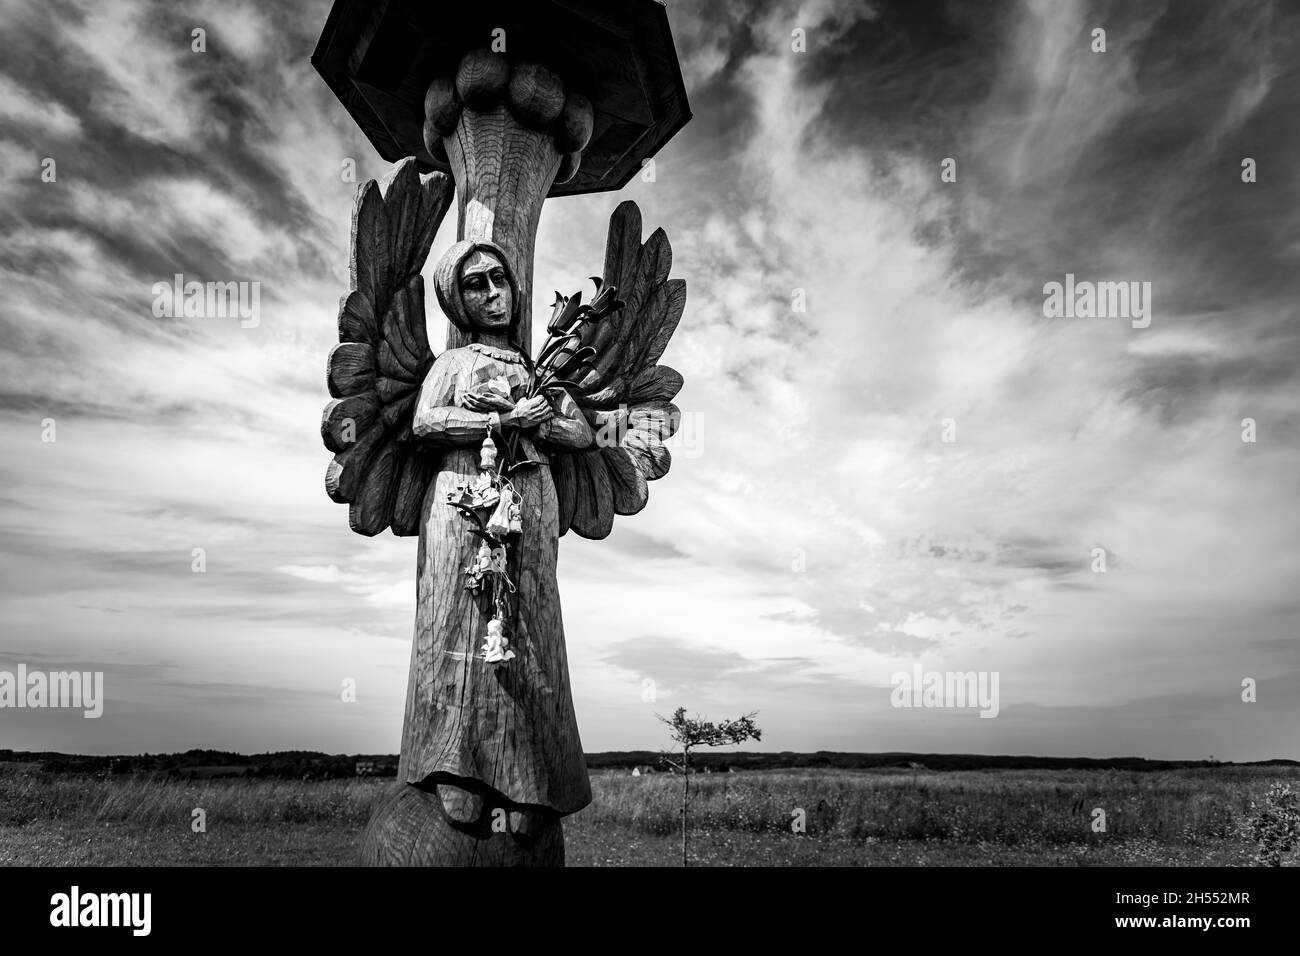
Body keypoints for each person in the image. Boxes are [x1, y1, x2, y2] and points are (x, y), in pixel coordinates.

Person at [401, 238, 593, 823]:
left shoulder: (538, 369)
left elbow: (582, 434)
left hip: (529, 508)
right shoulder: (452, 365)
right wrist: (504, 418)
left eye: (499, 280)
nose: (492, 294)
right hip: (460, 510)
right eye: (475, 285)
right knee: (456, 629)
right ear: (457, 301)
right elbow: (426, 422)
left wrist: (542, 421)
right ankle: (453, 766)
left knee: (529, 632)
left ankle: (531, 779)